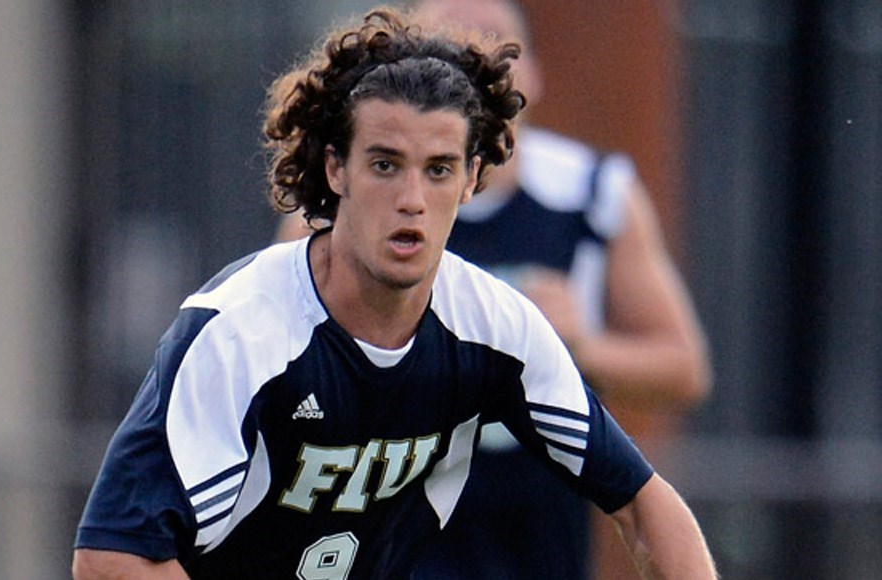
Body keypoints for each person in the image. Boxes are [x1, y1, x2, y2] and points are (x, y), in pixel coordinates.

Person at [72, 7, 717, 579]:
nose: (411, 200)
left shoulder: (497, 328)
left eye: (438, 170)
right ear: (335, 168)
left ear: (471, 180)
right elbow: (111, 557)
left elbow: (643, 502)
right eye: (385, 165)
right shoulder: (240, 331)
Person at [398, 1, 713, 579]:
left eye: (496, 44)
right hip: (393, 527)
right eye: (446, 44)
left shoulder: (592, 195)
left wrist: (580, 345)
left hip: (538, 539)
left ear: (535, 74)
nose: (474, 60)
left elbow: (683, 367)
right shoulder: (351, 202)